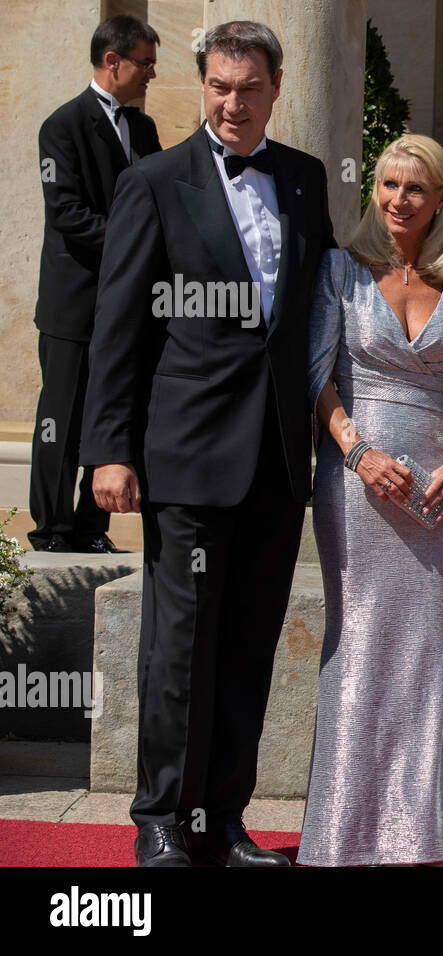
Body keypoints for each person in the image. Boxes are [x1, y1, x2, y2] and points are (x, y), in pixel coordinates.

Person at [80, 20, 335, 867]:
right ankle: (160, 818)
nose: (233, 103)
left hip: (275, 457)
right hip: (185, 457)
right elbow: (116, 328)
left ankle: (222, 821)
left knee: (249, 645)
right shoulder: (154, 180)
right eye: (219, 87)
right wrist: (108, 450)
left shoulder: (301, 179)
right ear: (201, 87)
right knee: (180, 646)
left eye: (249, 88)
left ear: (276, 86)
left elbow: (316, 318)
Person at [298, 135, 443, 866]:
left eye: (415, 188)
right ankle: (345, 835)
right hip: (355, 482)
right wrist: (356, 450)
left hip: (439, 492)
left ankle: (427, 832)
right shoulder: (340, 270)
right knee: (359, 643)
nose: (397, 200)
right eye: (386, 184)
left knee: (425, 650)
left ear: (441, 198)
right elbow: (317, 375)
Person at [29, 14, 161, 554]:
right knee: (62, 418)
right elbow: (67, 214)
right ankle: (53, 529)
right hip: (75, 305)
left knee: (110, 414)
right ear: (114, 60)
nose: (152, 74)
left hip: (129, 306)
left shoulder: (145, 129)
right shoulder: (61, 126)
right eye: (145, 63)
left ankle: (91, 527)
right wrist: (135, 248)